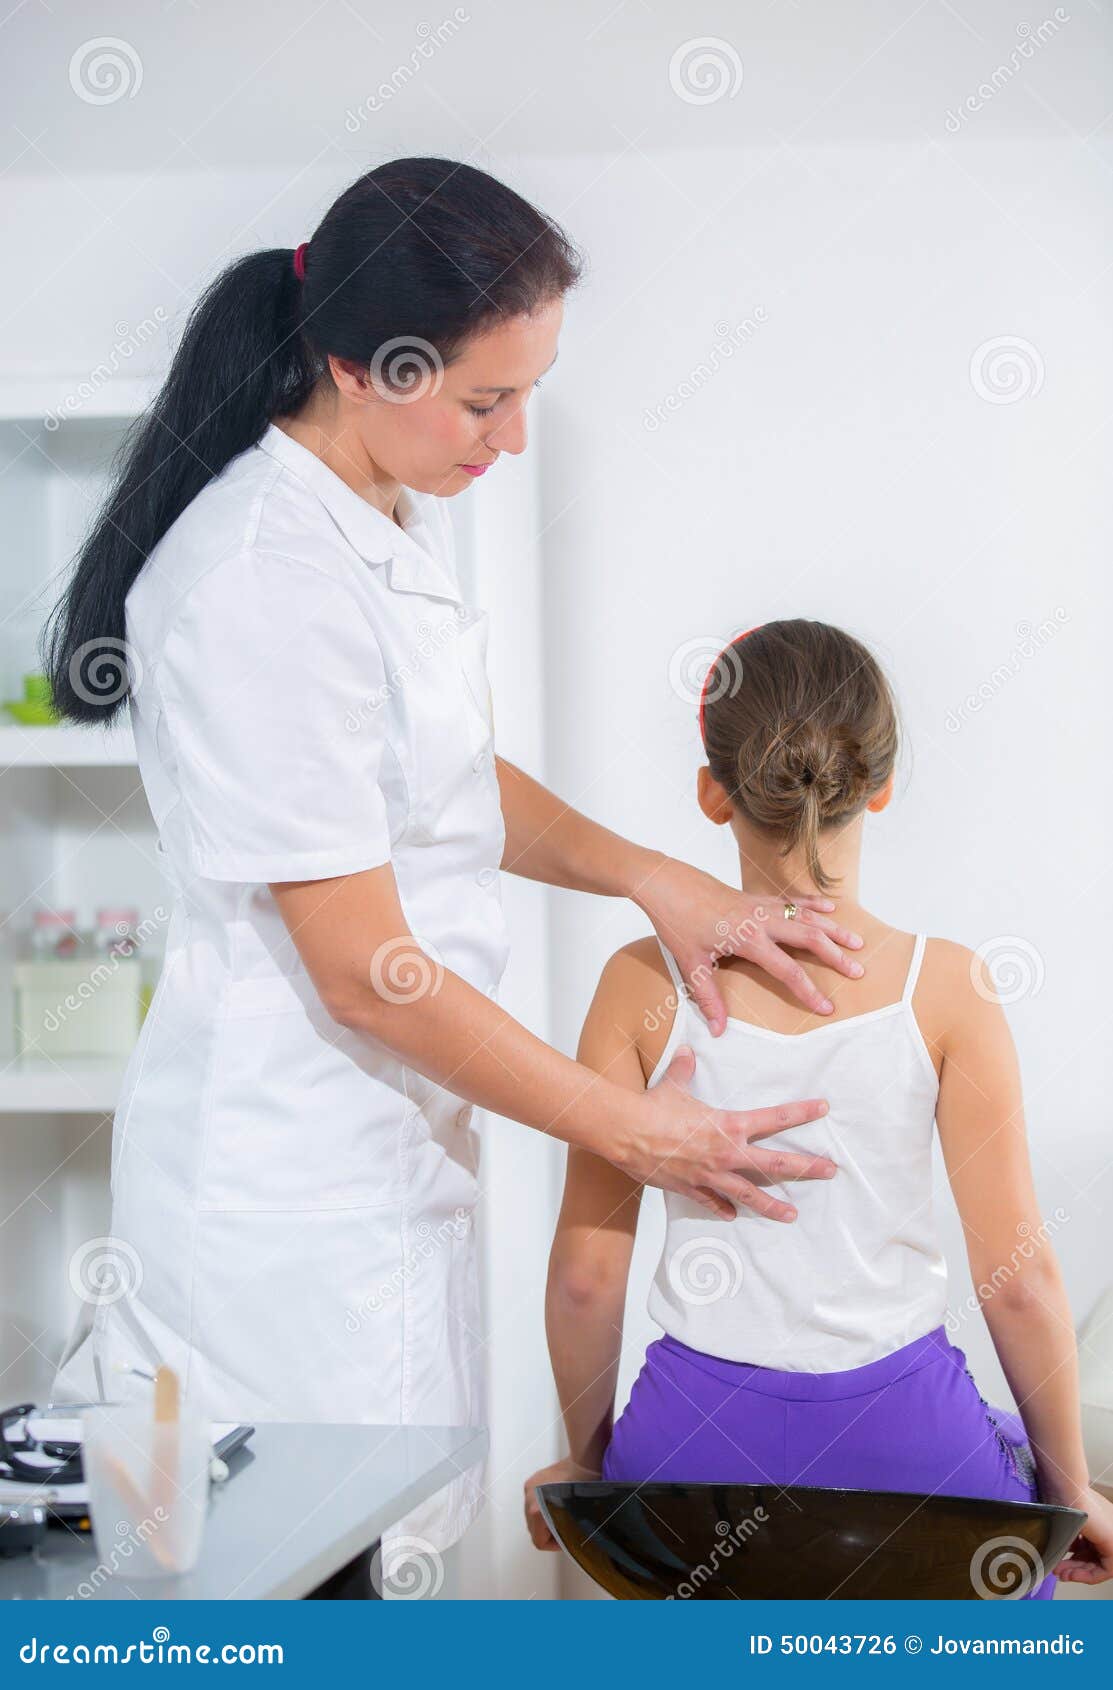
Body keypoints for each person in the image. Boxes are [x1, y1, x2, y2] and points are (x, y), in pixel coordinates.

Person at [42, 159, 865, 1582]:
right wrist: (632, 1128)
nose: (517, 438)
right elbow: (365, 968)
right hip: (282, 1198)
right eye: (487, 401)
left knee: (389, 1547)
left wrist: (656, 876)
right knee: (294, 1580)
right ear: (365, 367)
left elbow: (433, 783)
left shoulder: (373, 526)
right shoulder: (262, 576)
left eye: (530, 392)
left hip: (382, 1169)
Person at [525, 618, 1112, 1598]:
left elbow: (589, 1274)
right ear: (878, 785)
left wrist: (588, 1465)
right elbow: (1017, 1280)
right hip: (906, 1440)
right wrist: (1068, 1491)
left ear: (713, 792)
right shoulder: (949, 988)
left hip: (689, 1450)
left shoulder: (638, 985)